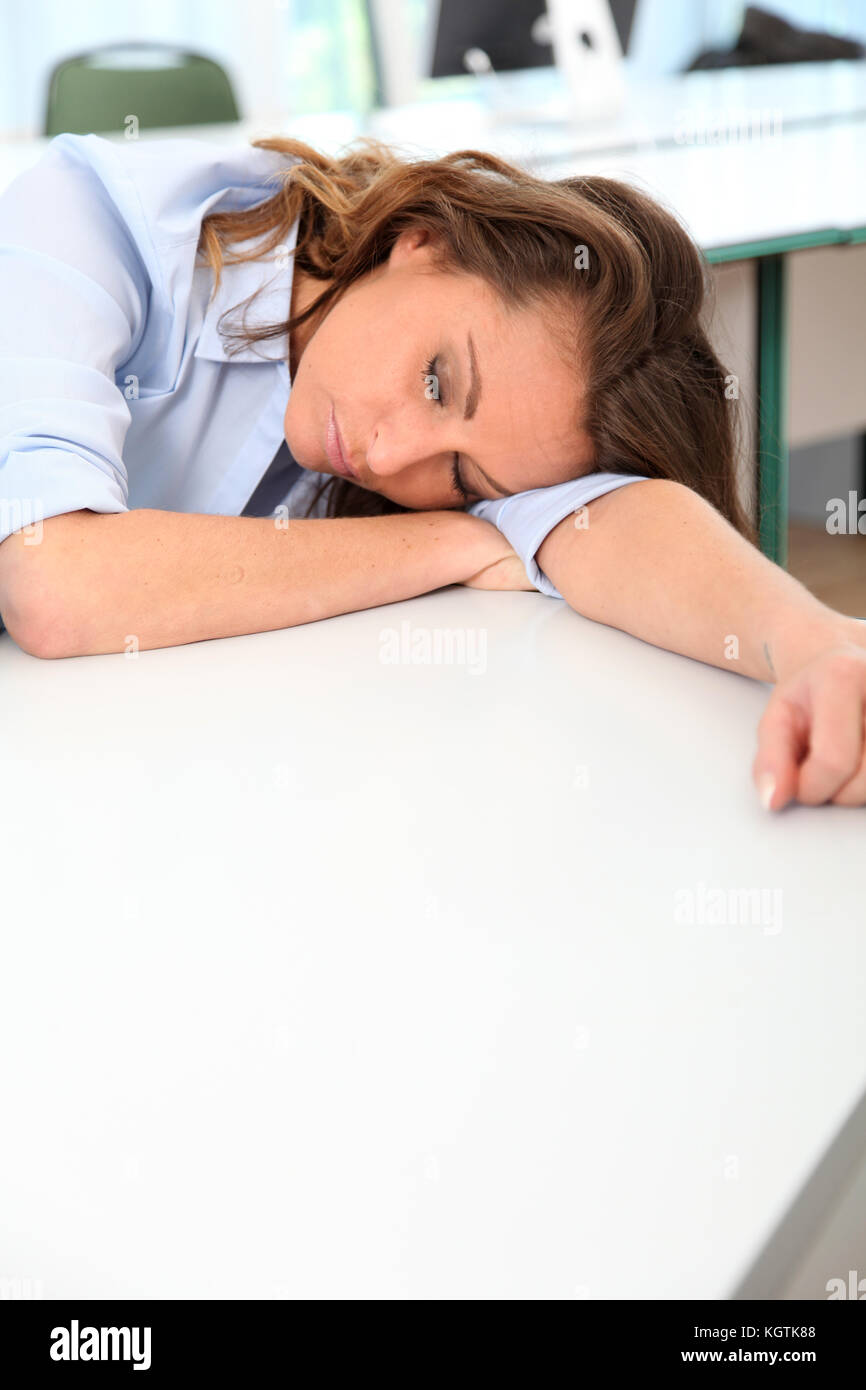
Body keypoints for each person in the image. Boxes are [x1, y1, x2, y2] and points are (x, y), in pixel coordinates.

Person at [0, 131, 864, 810]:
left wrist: (814, 642)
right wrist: (450, 539)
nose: (391, 455)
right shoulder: (97, 218)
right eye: (436, 382)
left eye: (465, 481)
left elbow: (619, 521)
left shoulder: (509, 414)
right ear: (423, 240)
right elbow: (51, 581)